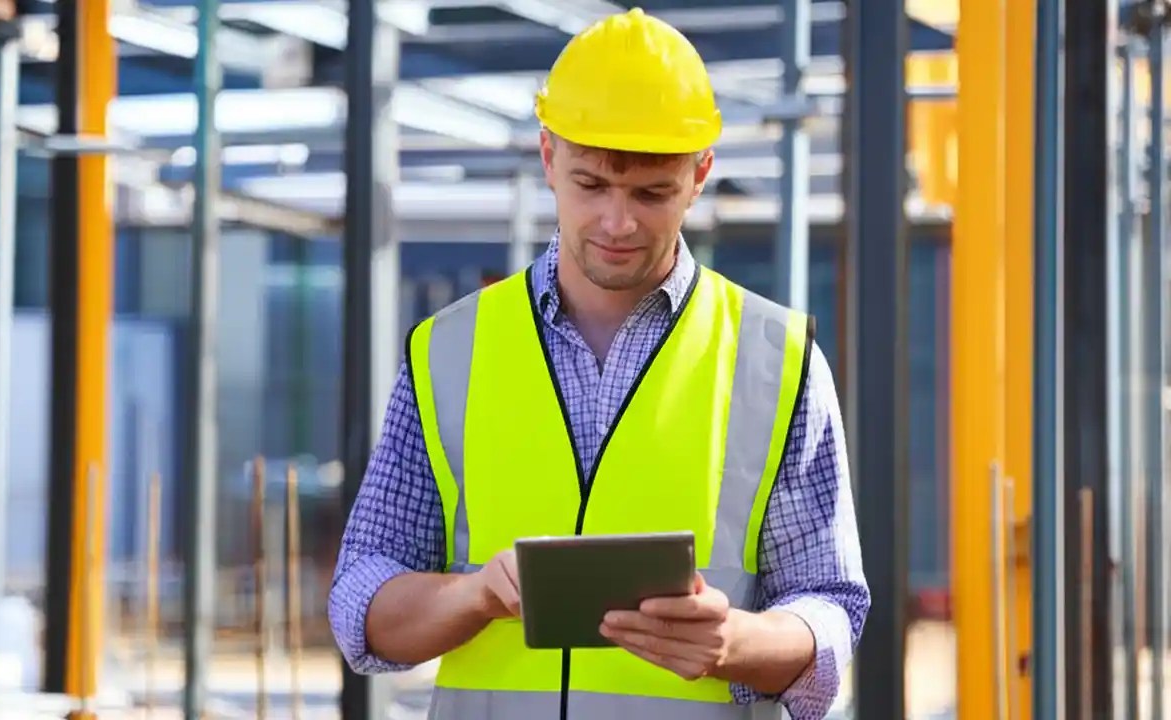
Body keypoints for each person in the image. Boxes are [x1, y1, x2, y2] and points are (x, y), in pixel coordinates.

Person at [328, 8, 869, 720]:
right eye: (591, 185)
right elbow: (363, 602)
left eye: (651, 193)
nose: (618, 223)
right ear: (549, 156)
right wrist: (478, 593)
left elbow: (831, 605)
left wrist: (736, 640)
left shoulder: (779, 360)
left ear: (701, 172)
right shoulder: (447, 350)